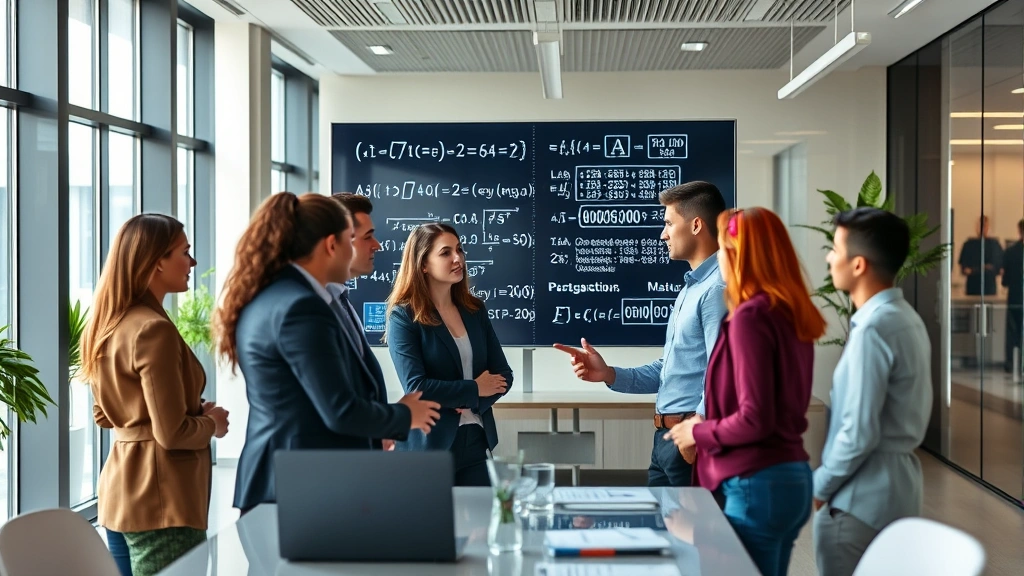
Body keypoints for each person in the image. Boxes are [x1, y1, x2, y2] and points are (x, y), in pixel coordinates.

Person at [213, 192, 440, 513]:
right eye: (351, 239)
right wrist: (404, 416)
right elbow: (339, 410)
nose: (356, 250)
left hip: (293, 482)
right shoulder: (301, 307)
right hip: (294, 487)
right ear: (331, 245)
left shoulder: (277, 294)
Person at [664, 207, 825, 576]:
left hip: (754, 483)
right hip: (791, 477)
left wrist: (696, 429)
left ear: (736, 255)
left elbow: (755, 419)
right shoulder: (791, 312)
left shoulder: (752, 317)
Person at [81, 214, 230, 576]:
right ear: (156, 261)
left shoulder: (108, 324)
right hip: (164, 504)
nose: (193, 262)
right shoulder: (153, 330)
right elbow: (172, 434)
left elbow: (105, 416)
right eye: (185, 252)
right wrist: (210, 423)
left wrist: (188, 408)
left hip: (119, 496)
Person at [552, 181, 728, 486]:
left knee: (693, 532)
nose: (663, 234)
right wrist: (609, 374)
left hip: (689, 439)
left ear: (696, 225)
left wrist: (696, 431)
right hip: (666, 440)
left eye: (669, 223)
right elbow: (671, 368)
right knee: (665, 531)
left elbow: (721, 372)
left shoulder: (716, 290)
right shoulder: (692, 287)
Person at [811, 207, 932, 576]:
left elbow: (857, 432)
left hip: (857, 503)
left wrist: (819, 486)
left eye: (835, 248)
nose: (830, 258)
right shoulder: (905, 319)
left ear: (859, 264)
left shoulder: (874, 330)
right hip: (898, 492)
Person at [385, 223, 512, 486]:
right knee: (433, 527)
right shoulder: (404, 316)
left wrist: (469, 399)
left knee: (482, 523)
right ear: (423, 264)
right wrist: (474, 389)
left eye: (459, 250)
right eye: (445, 253)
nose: (458, 259)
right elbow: (417, 388)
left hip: (476, 440)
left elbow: (503, 376)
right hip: (429, 446)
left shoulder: (474, 310)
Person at [329, 192, 391, 449]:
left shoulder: (343, 300)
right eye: (368, 237)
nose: (377, 245)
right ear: (335, 242)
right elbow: (334, 400)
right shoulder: (313, 308)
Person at [959, 215, 1003, 296]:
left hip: (989, 287)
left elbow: (1000, 267)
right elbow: (964, 268)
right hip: (973, 287)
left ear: (988, 227)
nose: (983, 228)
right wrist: (983, 268)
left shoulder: (994, 244)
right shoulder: (969, 245)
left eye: (985, 226)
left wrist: (975, 270)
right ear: (976, 227)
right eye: (981, 225)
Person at [1002, 219, 1023, 373]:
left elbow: (1005, 281)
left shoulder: (1010, 252)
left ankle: (1010, 364)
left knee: (1012, 333)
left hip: (1014, 298)